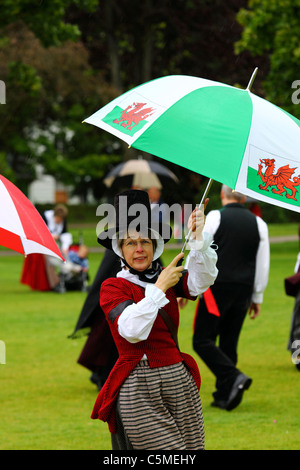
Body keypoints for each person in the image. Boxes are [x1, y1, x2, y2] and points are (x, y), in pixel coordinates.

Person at [90, 189, 218, 450]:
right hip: (138, 385)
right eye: (130, 243)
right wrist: (159, 289)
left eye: (145, 242)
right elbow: (131, 329)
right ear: (120, 249)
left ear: (155, 245)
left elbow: (201, 281)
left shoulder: (166, 276)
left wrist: (198, 239)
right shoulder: (113, 287)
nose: (139, 249)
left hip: (179, 380)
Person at [192, 185, 270, 411]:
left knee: (202, 340)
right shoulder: (259, 224)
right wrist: (257, 296)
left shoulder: (215, 216)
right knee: (229, 341)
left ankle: (233, 377)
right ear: (244, 196)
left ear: (222, 195)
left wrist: (189, 284)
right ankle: (225, 394)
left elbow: (199, 248)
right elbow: (262, 263)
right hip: (243, 289)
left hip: (216, 288)